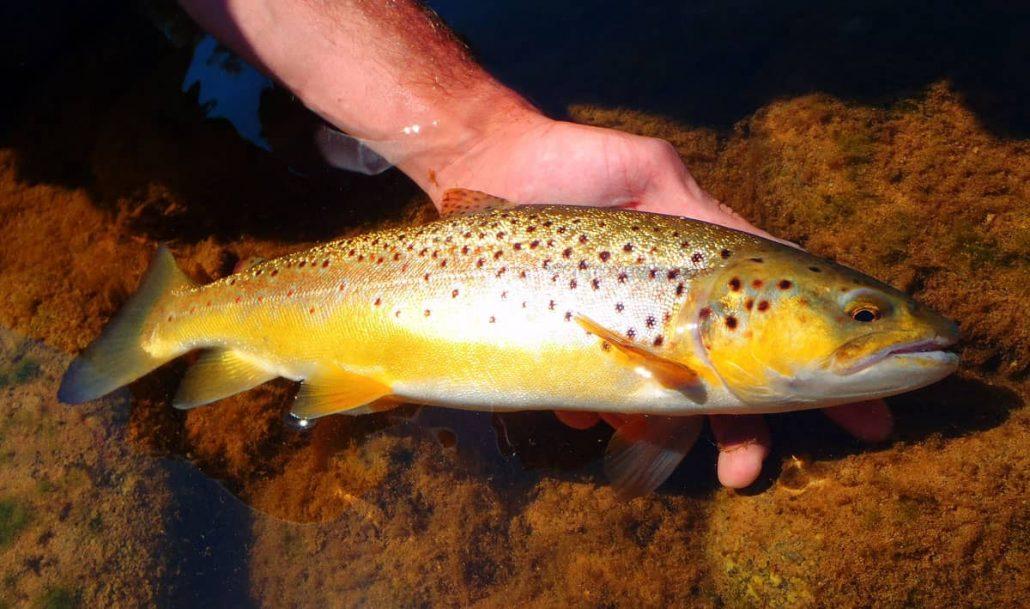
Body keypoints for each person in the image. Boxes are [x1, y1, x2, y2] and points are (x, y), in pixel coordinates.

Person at [177, 0, 893, 489]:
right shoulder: (696, 324)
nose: (870, 325)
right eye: (862, 314)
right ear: (734, 306)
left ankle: (193, 318)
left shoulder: (701, 345)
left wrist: (480, 134)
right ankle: (179, 319)